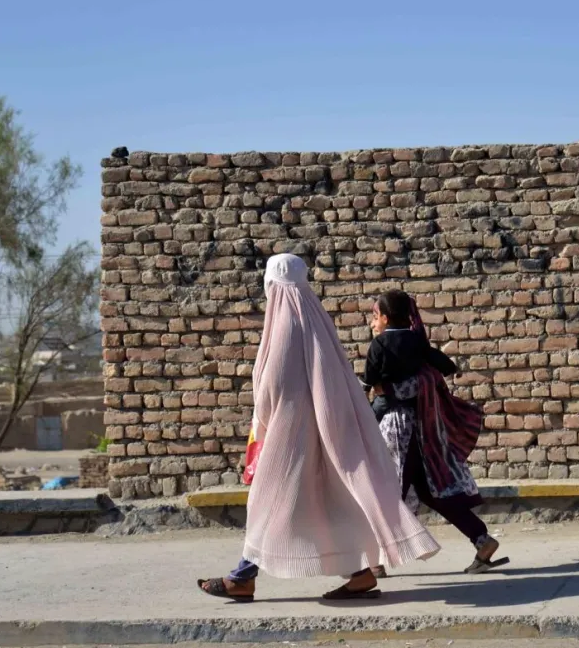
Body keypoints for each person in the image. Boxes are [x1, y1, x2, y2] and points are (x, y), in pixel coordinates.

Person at [197, 254, 440, 603]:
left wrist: (262, 426)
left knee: (268, 504)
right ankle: (357, 575)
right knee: (327, 504)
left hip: (290, 437)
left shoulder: (284, 324)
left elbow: (273, 384)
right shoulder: (316, 322)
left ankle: (243, 577)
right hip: (327, 433)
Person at [363, 289, 507, 577]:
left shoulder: (379, 345)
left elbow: (372, 383)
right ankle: (482, 540)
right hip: (426, 428)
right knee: (431, 491)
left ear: (385, 318)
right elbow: (443, 365)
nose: (372, 322)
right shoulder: (418, 341)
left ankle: (373, 562)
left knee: (387, 491)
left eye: (375, 316)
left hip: (396, 430)